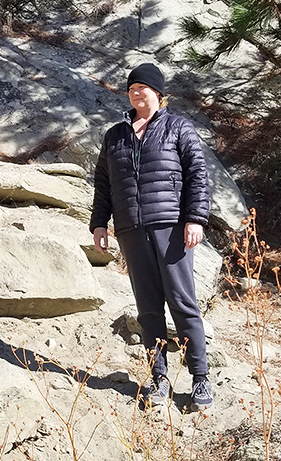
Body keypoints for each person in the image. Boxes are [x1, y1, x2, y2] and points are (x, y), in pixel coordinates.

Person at [90, 62, 213, 411]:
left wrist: (195, 219)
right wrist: (100, 223)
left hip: (171, 228)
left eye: (142, 86)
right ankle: (159, 377)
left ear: (158, 92)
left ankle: (200, 378)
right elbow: (103, 182)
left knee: (182, 302)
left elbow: (197, 176)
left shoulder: (179, 128)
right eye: (131, 87)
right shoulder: (115, 135)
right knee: (147, 309)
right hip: (130, 229)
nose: (135, 91)